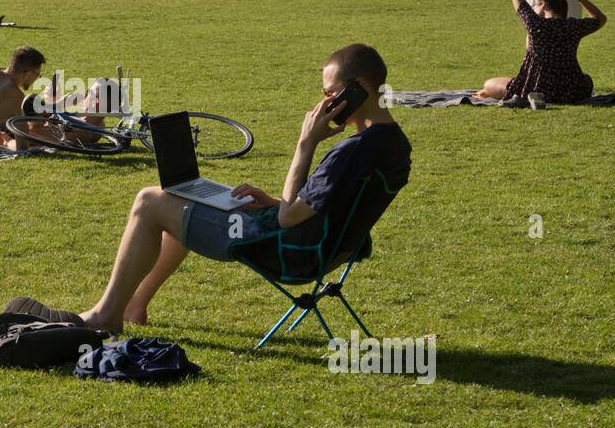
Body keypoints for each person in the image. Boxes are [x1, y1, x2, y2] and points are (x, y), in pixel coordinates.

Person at [68, 44, 411, 330]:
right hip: (326, 248)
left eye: (331, 94)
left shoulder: (351, 151)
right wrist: (274, 202)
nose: (324, 105)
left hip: (286, 251)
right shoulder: (393, 144)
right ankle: (135, 305)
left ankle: (106, 315)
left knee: (150, 201)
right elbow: (325, 206)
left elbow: (289, 218)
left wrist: (305, 144)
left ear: (360, 87)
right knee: (180, 197)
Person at [475, 0, 607, 106]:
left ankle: (495, 91)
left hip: (536, 88)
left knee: (488, 84)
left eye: (537, 4)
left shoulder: (536, 25)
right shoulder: (573, 26)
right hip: (571, 91)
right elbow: (600, 18)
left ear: (543, 5)